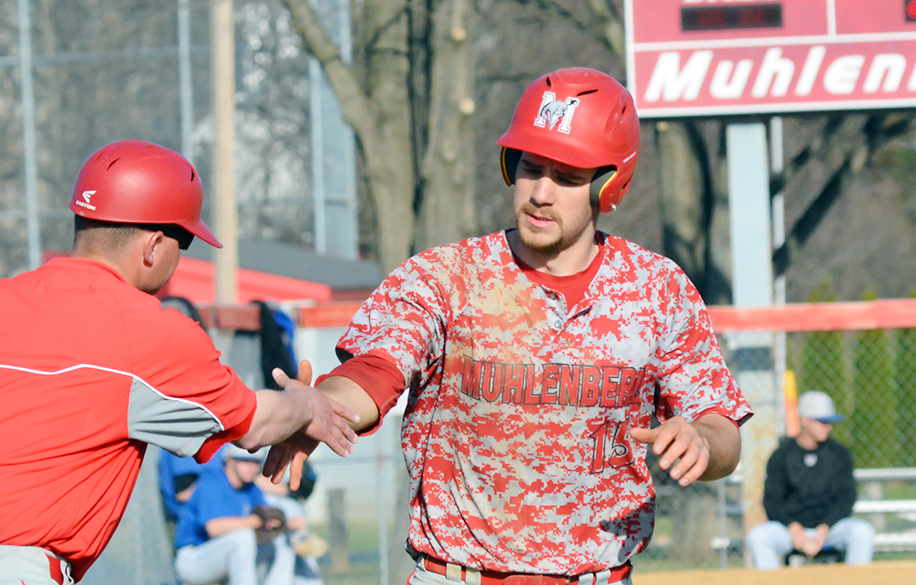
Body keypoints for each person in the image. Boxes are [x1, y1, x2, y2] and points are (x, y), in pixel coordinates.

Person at [266, 67, 752, 583]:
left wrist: (702, 438)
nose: (540, 192)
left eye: (566, 177)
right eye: (529, 167)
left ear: (609, 186)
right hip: (459, 573)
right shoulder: (447, 276)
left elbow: (722, 429)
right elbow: (376, 370)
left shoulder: (657, 289)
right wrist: (321, 404)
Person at [0, 139, 359, 584]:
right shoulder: (145, 332)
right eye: (186, 239)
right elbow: (255, 425)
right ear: (154, 245)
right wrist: (307, 405)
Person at [747, 390, 876, 569]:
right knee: (759, 536)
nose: (828, 427)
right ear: (805, 420)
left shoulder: (839, 454)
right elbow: (772, 501)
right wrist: (793, 527)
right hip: (791, 530)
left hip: (830, 529)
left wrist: (825, 528)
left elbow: (846, 498)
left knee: (862, 532)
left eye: (829, 422)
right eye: (822, 421)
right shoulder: (782, 455)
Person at [174, 445, 297, 585]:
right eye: (246, 461)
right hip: (194, 559)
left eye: (256, 462)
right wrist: (256, 521)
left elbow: (265, 518)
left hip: (225, 554)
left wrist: (285, 523)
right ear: (230, 461)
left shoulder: (251, 488)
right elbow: (214, 528)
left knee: (282, 539)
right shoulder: (211, 482)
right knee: (243, 538)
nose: (252, 467)